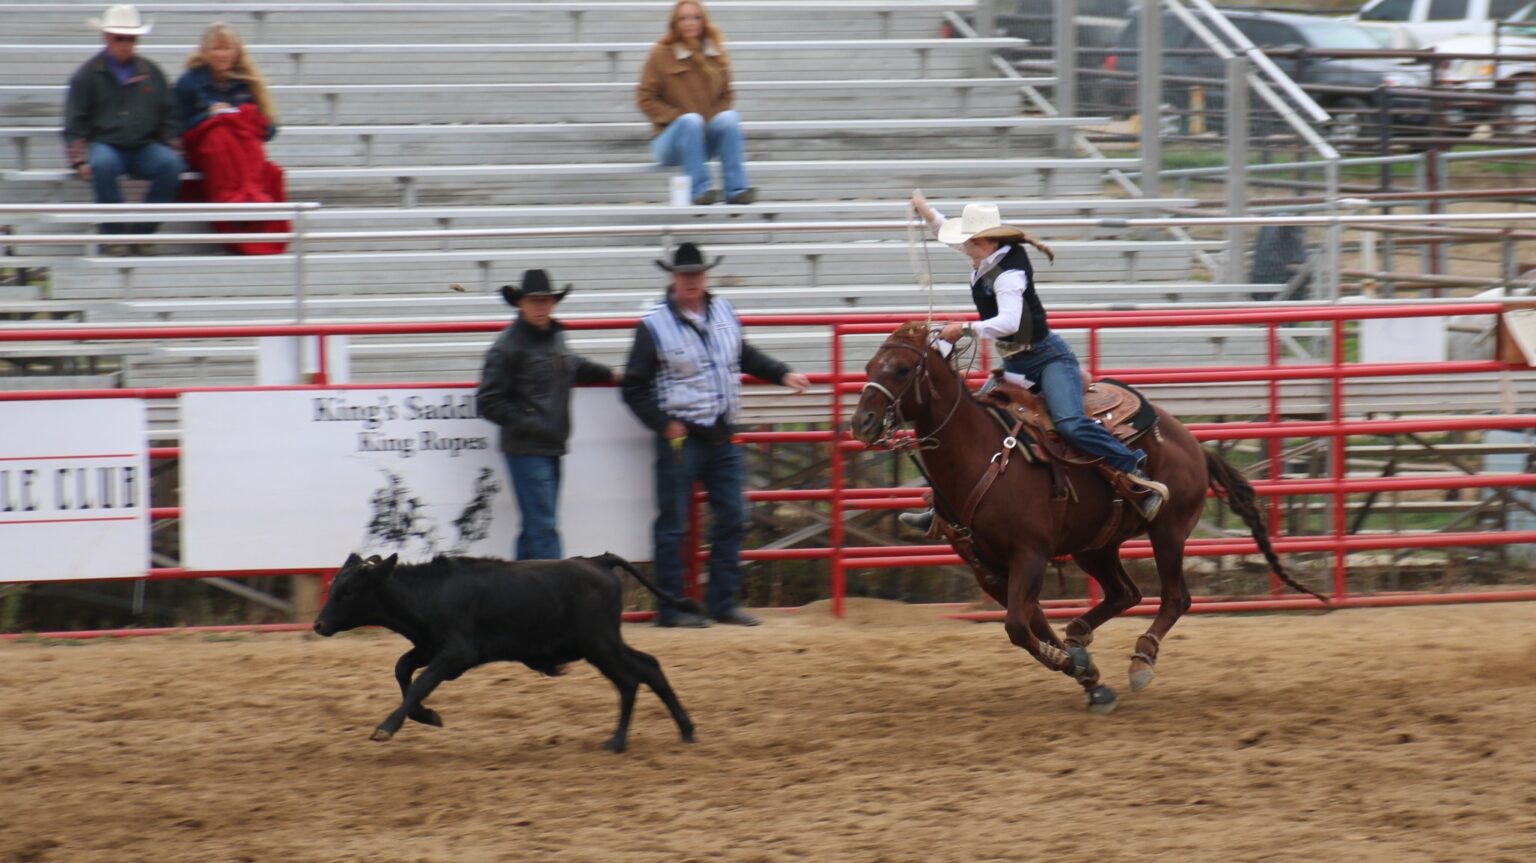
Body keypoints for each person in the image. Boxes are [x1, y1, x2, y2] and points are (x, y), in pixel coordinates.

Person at [900, 193, 1170, 529]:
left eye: (965, 241)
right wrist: (924, 208)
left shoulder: (1008, 274)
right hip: (1016, 364)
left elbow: (1010, 323)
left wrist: (964, 329)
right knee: (971, 422)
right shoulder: (989, 257)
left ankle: (1133, 470)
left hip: (1047, 360)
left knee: (1070, 422)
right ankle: (943, 507)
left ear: (979, 241)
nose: (961, 247)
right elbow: (943, 229)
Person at [622, 243, 810, 627]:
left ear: (705, 276)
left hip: (722, 433)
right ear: (674, 278)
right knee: (674, 523)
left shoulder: (723, 311)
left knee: (734, 517)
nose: (692, 280)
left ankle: (722, 603)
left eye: (697, 273)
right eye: (685, 274)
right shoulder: (653, 324)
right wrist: (662, 423)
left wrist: (781, 373)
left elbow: (743, 354)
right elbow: (633, 386)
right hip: (680, 435)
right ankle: (671, 607)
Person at [476, 270, 620, 561]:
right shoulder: (508, 347)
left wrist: (610, 374)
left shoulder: (552, 338)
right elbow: (487, 401)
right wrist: (531, 424)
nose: (541, 307)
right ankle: (556, 596)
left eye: (546, 301)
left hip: (545, 446)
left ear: (553, 303)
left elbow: (572, 365)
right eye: (535, 301)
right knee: (543, 527)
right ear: (521, 304)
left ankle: (522, 597)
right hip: (529, 448)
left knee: (536, 528)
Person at [63, 4, 185, 256]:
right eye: (119, 37)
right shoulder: (86, 76)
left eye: (130, 38)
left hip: (144, 145)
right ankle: (113, 234)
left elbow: (170, 114)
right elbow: (75, 121)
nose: (125, 43)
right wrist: (79, 159)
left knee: (171, 165)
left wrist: (172, 146)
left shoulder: (153, 73)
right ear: (106, 37)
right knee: (102, 164)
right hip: (105, 143)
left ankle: (144, 232)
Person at [175, 22, 288, 255]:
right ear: (205, 51)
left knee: (239, 123)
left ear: (237, 51)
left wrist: (245, 117)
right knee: (219, 130)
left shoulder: (248, 82)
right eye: (216, 48)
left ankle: (249, 193)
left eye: (227, 48)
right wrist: (208, 115)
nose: (222, 54)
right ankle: (238, 197)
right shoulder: (189, 82)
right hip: (205, 147)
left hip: (242, 150)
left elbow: (270, 130)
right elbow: (174, 127)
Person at [636, 0, 756, 207]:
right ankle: (699, 191)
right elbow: (645, 98)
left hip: (704, 139)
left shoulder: (715, 53)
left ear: (704, 21)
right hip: (669, 141)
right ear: (674, 23)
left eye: (695, 17)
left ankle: (736, 191)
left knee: (730, 118)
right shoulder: (660, 54)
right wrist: (677, 118)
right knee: (690, 121)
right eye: (683, 18)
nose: (689, 23)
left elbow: (727, 96)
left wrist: (708, 121)